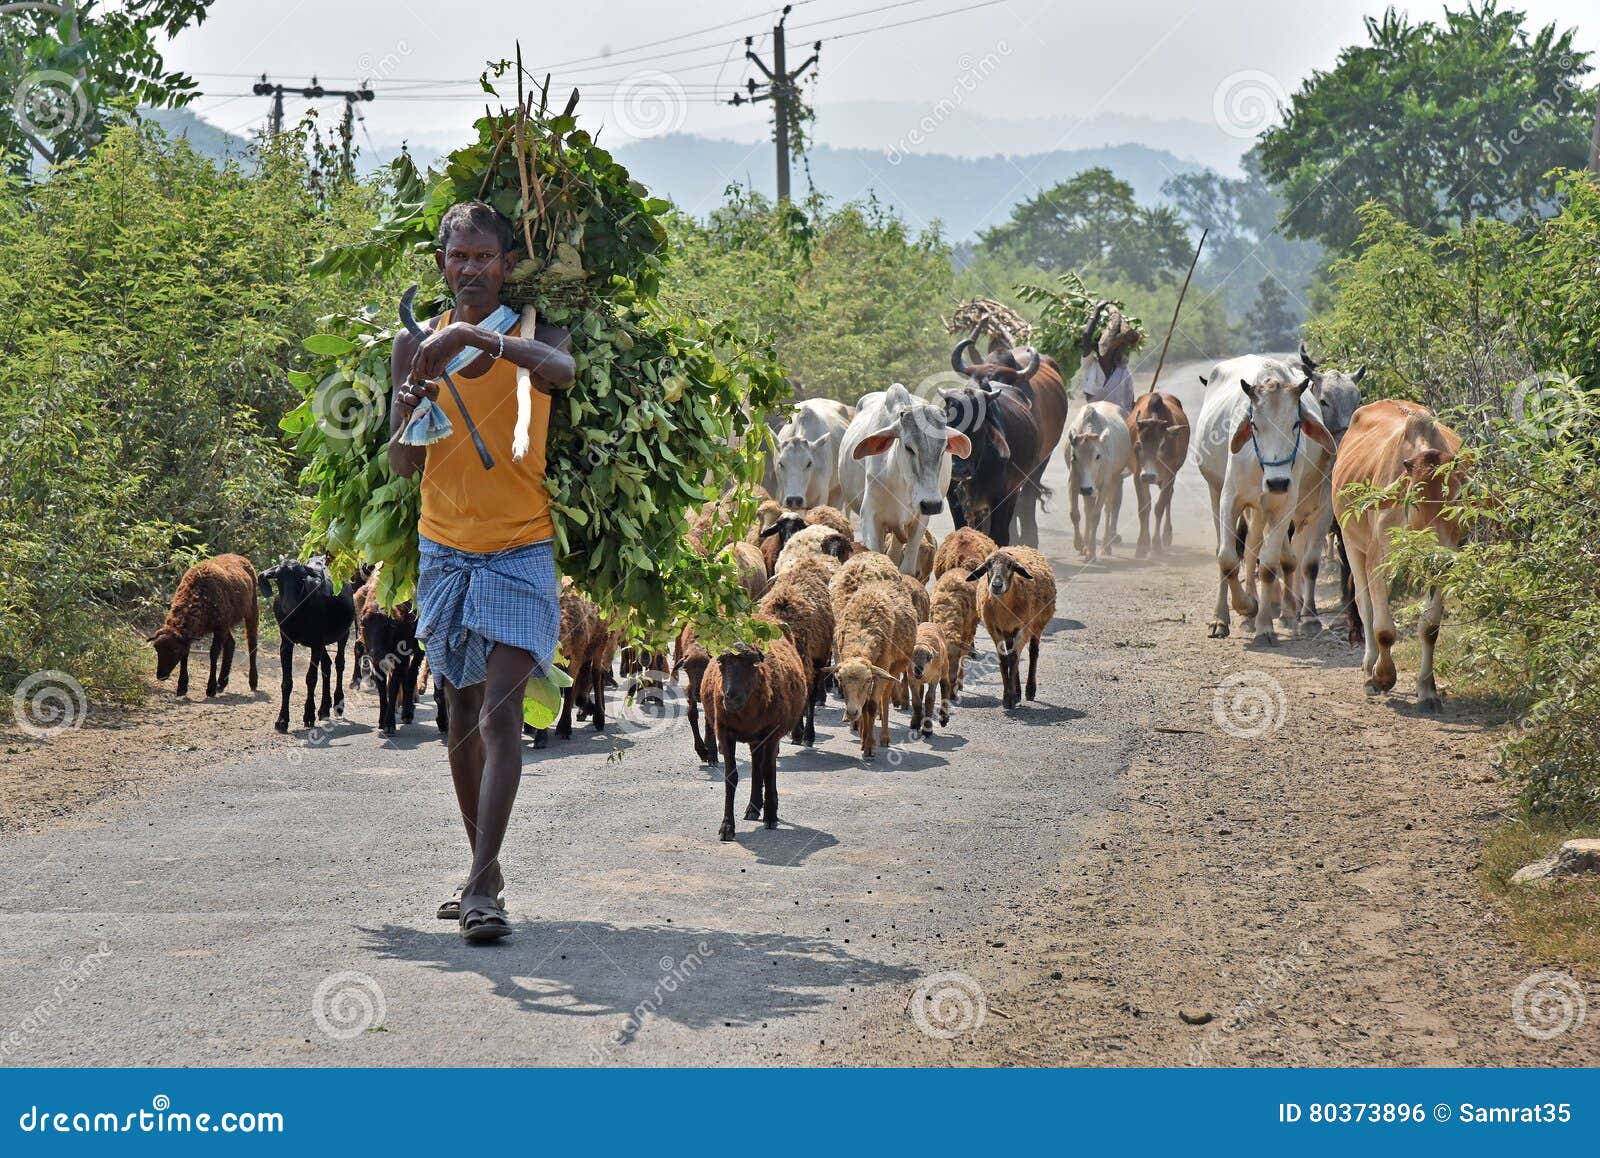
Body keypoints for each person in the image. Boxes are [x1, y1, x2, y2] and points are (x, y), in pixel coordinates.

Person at [389, 200, 575, 943]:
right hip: (444, 547)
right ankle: (484, 873)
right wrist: (411, 404)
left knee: (500, 710)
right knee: (458, 714)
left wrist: (474, 340)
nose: (470, 269)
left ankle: (478, 891)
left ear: (507, 265)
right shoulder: (413, 347)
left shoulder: (536, 333)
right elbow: (403, 464)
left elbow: (560, 372)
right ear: (441, 266)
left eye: (484, 257)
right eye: (457, 258)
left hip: (521, 546)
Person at [1078, 301, 1136, 416]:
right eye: (1108, 347)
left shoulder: (1123, 373)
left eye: (1114, 349)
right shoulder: (1090, 364)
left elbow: (1130, 404)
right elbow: (1086, 336)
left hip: (1117, 419)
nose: (1110, 352)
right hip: (1093, 416)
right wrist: (1097, 310)